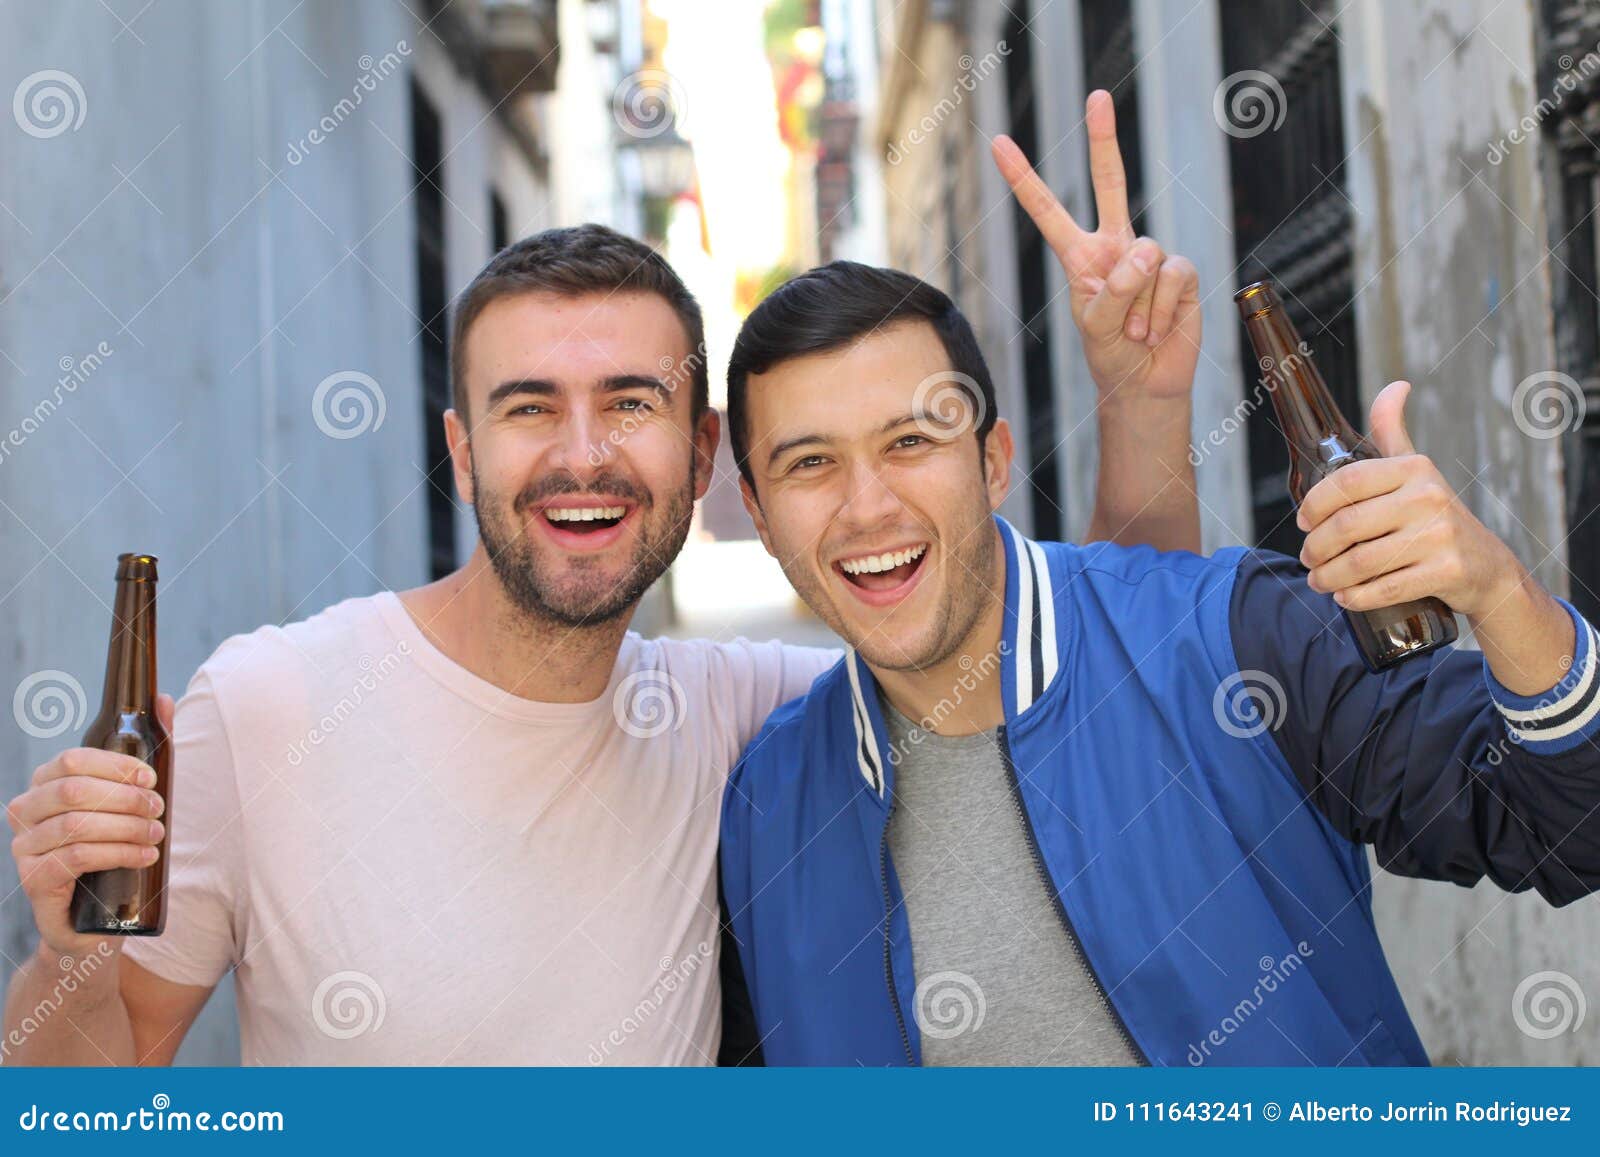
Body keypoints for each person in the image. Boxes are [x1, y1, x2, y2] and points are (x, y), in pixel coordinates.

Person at [3, 96, 1201, 1063]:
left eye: (629, 403)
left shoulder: (745, 715)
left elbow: (1102, 674)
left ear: (699, 453)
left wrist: (1140, 404)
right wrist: (67, 956)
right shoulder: (266, 707)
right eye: (530, 409)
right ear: (464, 448)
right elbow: (82, 1101)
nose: (581, 456)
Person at [717, 128, 1600, 1067]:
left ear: (994, 459)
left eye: (909, 442)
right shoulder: (767, 803)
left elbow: (1563, 823)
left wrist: (1498, 589)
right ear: (762, 518)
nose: (868, 506)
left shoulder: (1234, 639)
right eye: (810, 463)